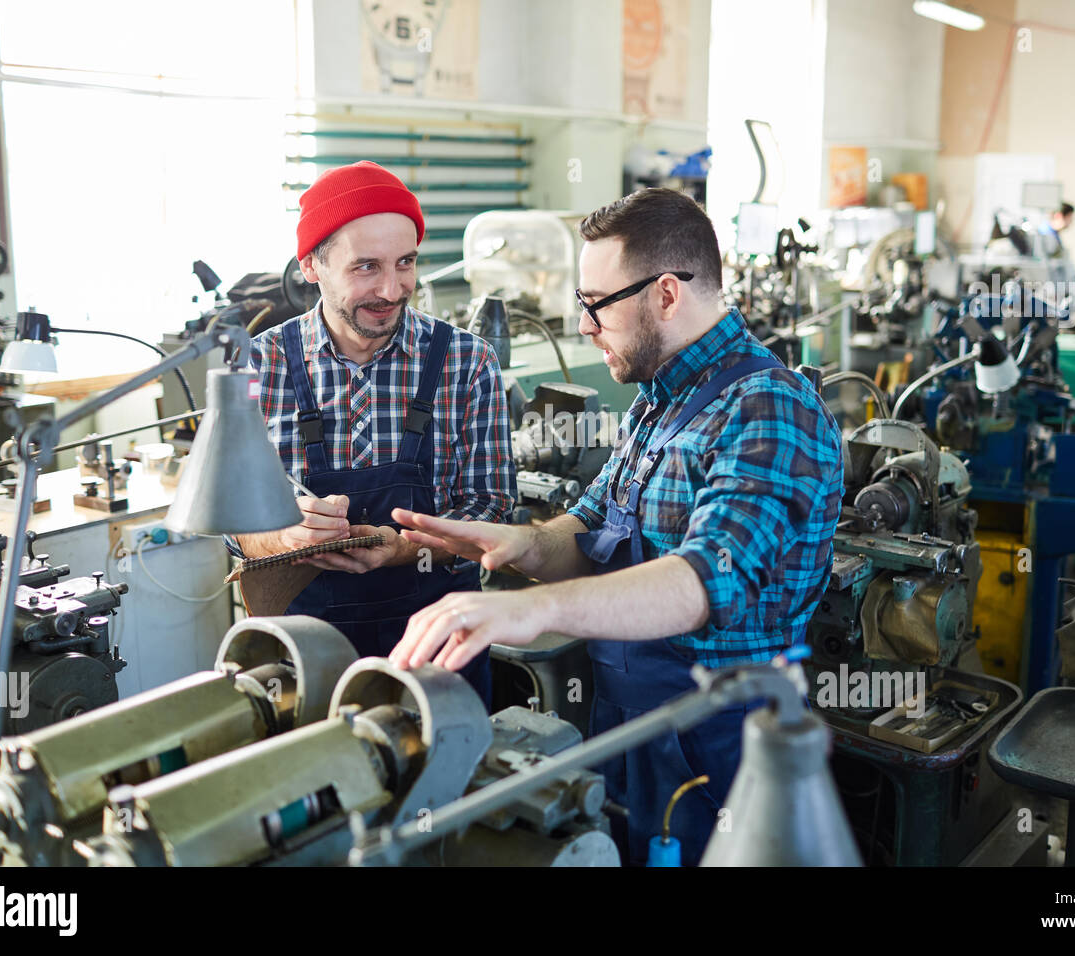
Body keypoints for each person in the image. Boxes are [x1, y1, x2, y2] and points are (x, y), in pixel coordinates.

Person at [387, 187, 844, 865]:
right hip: (632, 724)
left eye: (595, 304)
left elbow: (704, 582)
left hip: (725, 740)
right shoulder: (660, 402)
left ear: (665, 294)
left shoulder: (769, 408)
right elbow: (596, 527)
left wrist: (536, 610)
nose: (583, 326)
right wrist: (525, 545)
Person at [232, 161, 516, 705]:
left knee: (454, 780)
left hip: (438, 646)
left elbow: (493, 510)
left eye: (405, 263)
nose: (392, 288)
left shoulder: (466, 362)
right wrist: (284, 538)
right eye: (366, 267)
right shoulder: (257, 367)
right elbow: (232, 522)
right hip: (304, 657)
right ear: (312, 264)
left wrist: (402, 548)